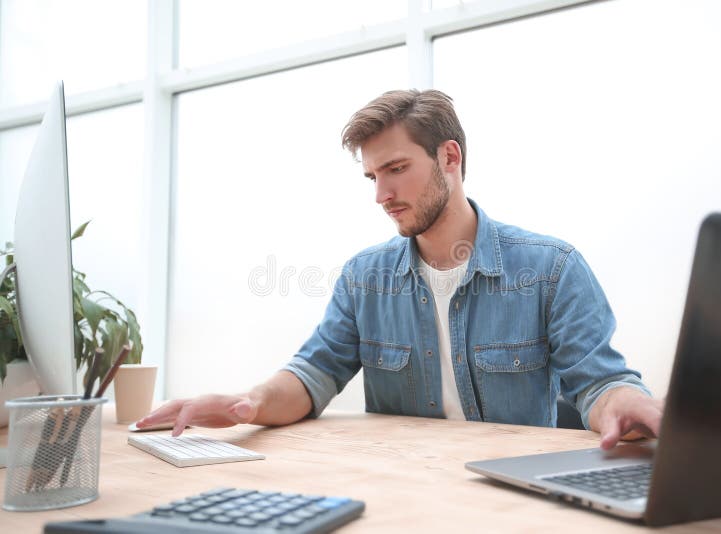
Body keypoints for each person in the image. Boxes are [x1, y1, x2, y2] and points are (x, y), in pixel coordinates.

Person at [138, 89, 662, 450]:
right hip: (405, 495)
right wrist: (245, 404)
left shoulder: (552, 269)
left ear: (449, 158)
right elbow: (312, 376)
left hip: (510, 503)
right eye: (372, 176)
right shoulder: (364, 278)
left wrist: (627, 404)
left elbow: (601, 384)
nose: (381, 195)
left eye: (396, 169)